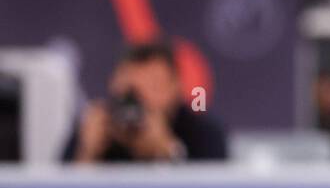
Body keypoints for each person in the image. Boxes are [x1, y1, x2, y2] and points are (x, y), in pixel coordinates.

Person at [63, 41, 228, 163]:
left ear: (176, 88)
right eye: (130, 89)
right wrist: (87, 153)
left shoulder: (202, 133)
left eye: (153, 86)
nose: (140, 99)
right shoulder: (97, 126)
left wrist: (169, 152)